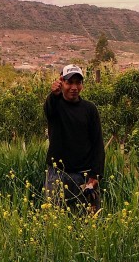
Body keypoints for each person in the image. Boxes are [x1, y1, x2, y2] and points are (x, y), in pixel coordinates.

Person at [44, 64, 105, 212]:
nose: (74, 87)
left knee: (89, 219)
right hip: (57, 174)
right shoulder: (55, 106)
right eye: (69, 82)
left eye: (78, 83)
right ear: (61, 82)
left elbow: (98, 144)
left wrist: (95, 175)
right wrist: (54, 94)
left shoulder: (90, 109)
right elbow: (48, 109)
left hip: (84, 176)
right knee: (54, 218)